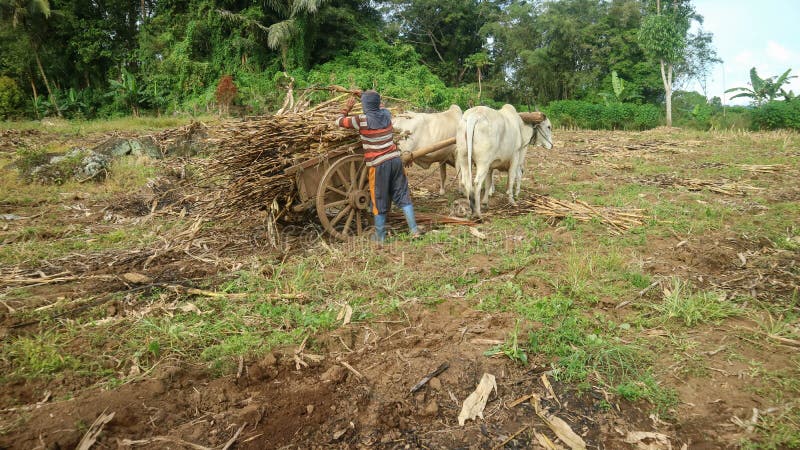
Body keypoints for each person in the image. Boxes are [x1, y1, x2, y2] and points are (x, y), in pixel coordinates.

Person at [335, 90, 420, 242]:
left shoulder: (361, 120)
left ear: (365, 105)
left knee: (378, 198)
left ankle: (380, 237)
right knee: (402, 194)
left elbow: (339, 121)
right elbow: (379, 105)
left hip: (379, 165)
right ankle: (414, 230)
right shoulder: (387, 115)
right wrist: (363, 94)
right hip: (395, 160)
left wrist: (347, 108)